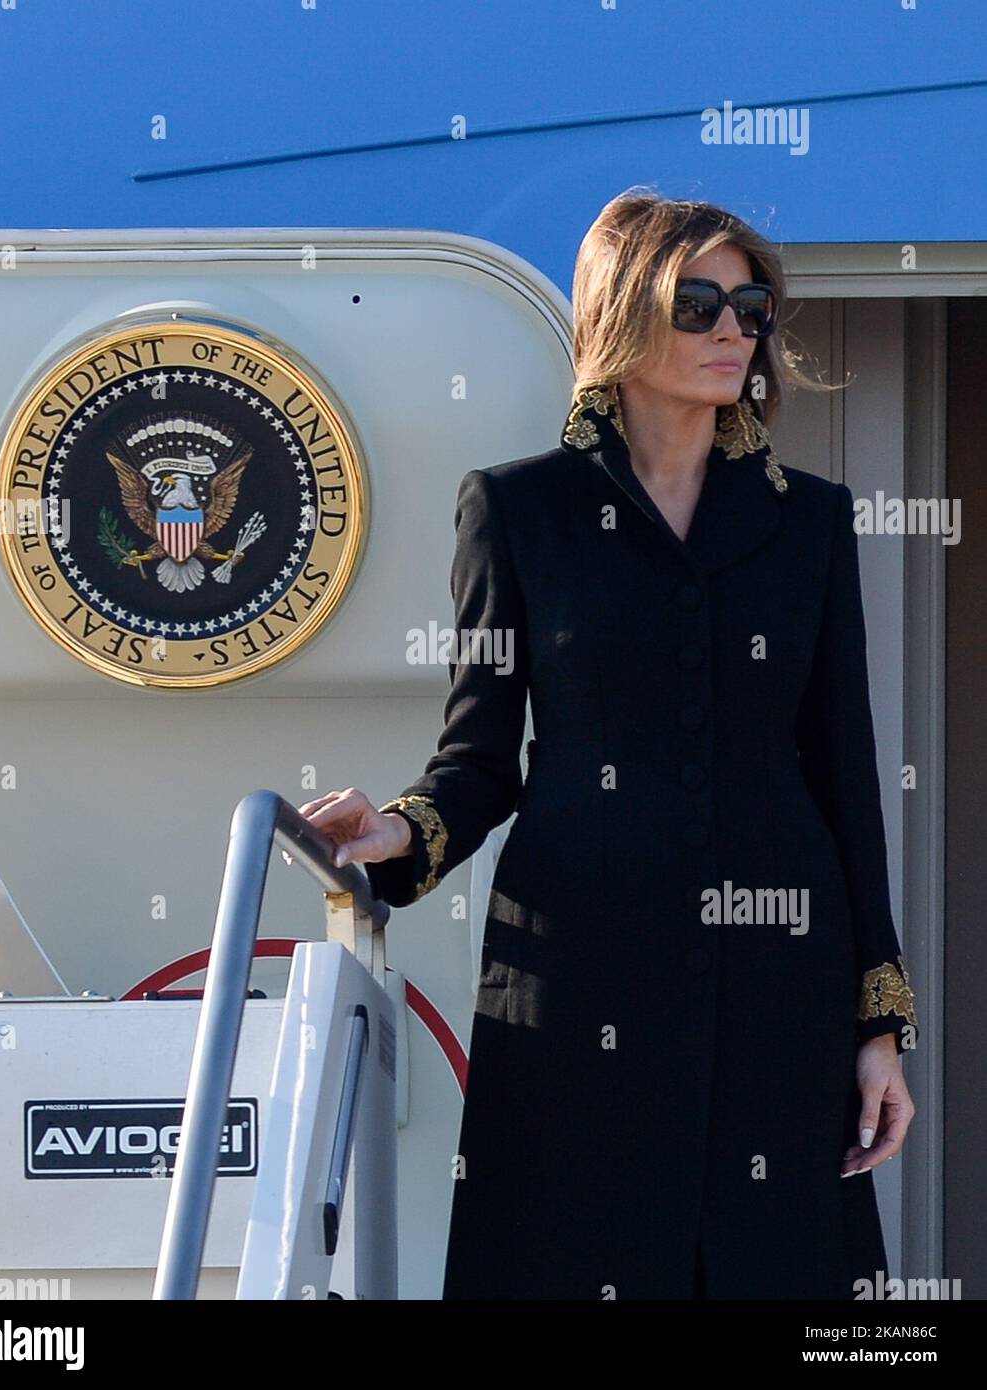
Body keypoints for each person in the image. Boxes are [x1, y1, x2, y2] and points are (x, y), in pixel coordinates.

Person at [299, 189, 918, 1300]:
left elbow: (844, 777)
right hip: (578, 965)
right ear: (621, 317)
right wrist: (397, 831)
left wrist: (876, 1023)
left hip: (779, 968)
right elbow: (477, 759)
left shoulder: (812, 521)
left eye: (751, 304)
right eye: (699, 303)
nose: (734, 329)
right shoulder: (516, 510)